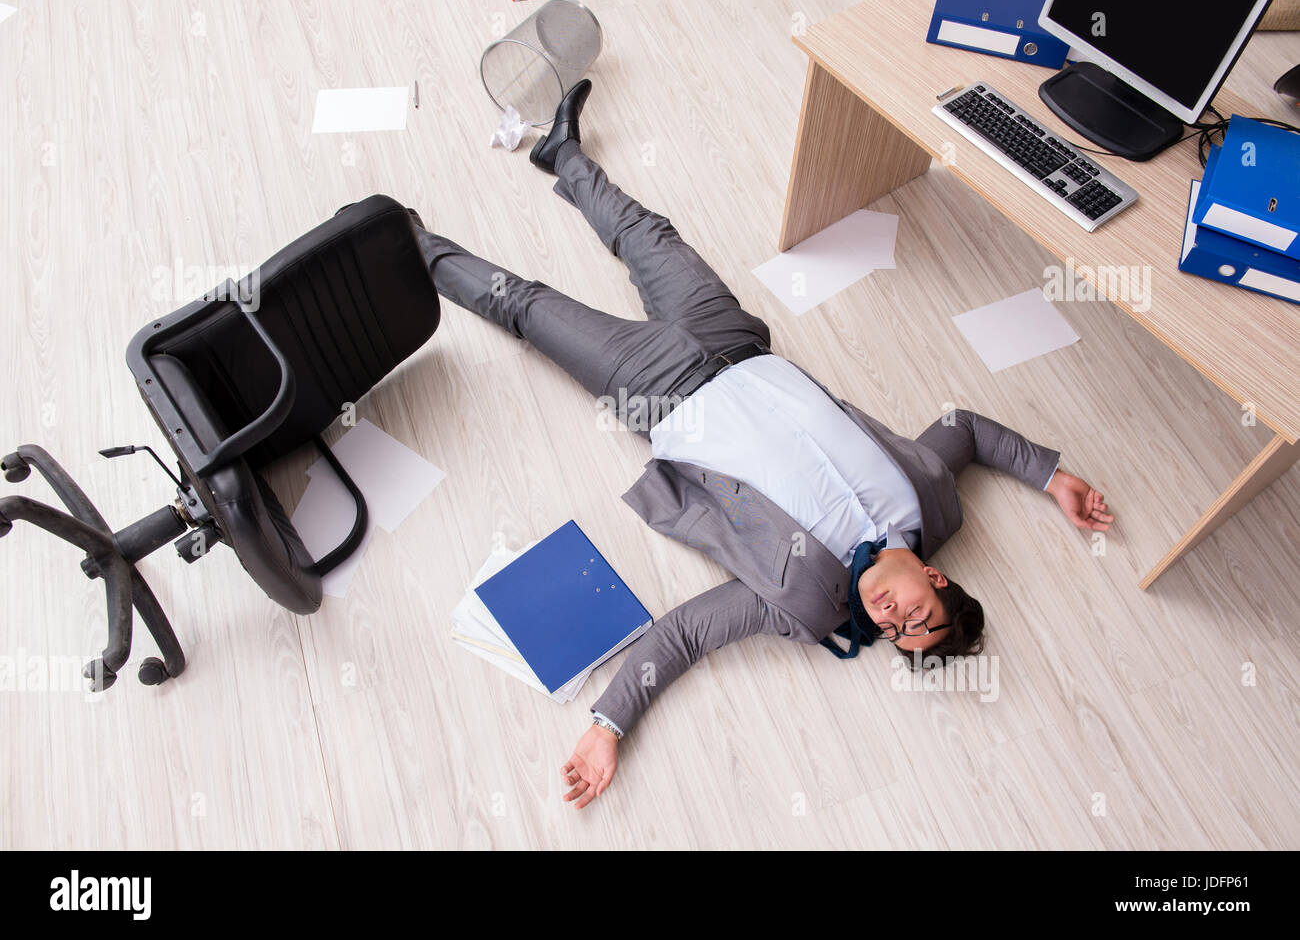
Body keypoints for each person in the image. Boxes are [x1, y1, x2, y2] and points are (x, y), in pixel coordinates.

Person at [415, 80, 1114, 810]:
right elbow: (967, 427)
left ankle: (415, 246)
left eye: (896, 637)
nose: (890, 620)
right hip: (736, 345)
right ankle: (563, 153)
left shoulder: (809, 605)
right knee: (649, 236)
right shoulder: (931, 499)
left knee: (527, 306)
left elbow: (687, 634)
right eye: (916, 616)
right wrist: (1050, 474)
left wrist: (608, 724)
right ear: (937, 580)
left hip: (659, 395)